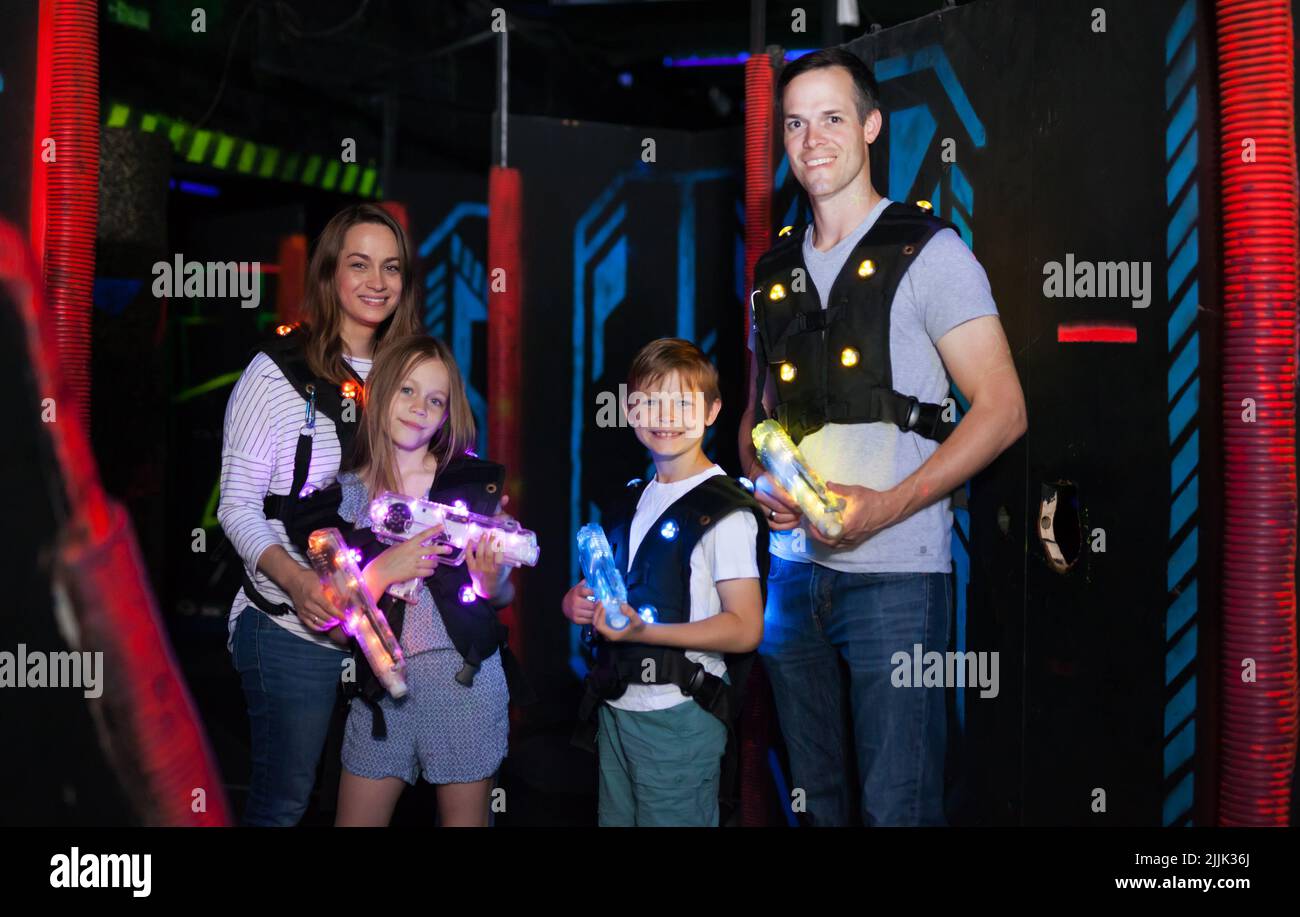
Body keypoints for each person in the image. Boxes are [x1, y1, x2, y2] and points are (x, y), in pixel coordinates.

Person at [739, 48, 1028, 826]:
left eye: (832, 118)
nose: (812, 140)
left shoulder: (930, 251)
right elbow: (757, 418)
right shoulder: (772, 270)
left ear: (871, 126)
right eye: (795, 124)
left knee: (897, 808)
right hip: (792, 576)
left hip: (898, 577)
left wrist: (889, 505)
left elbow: (1004, 409)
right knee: (816, 806)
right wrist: (764, 481)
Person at [218, 203, 420, 826]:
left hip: (390, 634)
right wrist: (299, 581)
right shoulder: (277, 372)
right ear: (330, 272)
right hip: (290, 628)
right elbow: (236, 505)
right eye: (359, 264)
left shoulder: (410, 375)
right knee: (286, 804)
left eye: (391, 267)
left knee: (367, 809)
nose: (377, 282)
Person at [563, 338, 769, 826]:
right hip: (617, 706)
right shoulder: (632, 500)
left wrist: (645, 632)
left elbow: (745, 628)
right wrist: (577, 602)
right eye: (650, 402)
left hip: (679, 713)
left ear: (713, 411)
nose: (666, 416)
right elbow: (617, 594)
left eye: (683, 403)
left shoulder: (725, 510)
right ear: (630, 410)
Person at [324, 334, 517, 827]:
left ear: (448, 413)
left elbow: (501, 595)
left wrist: (490, 581)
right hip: (380, 692)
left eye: (435, 400)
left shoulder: (470, 487)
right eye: (407, 390)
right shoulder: (345, 495)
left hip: (464, 687)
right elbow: (333, 623)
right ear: (380, 391)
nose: (419, 408)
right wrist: (382, 571)